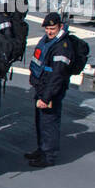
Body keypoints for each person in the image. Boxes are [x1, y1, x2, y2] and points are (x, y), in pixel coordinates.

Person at [27, 12, 78, 168]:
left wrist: (47, 97)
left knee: (49, 123)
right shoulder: (49, 40)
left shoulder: (62, 48)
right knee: (41, 121)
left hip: (50, 91)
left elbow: (58, 75)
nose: (49, 32)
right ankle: (41, 149)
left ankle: (48, 156)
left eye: (52, 28)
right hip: (42, 86)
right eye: (47, 29)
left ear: (60, 27)